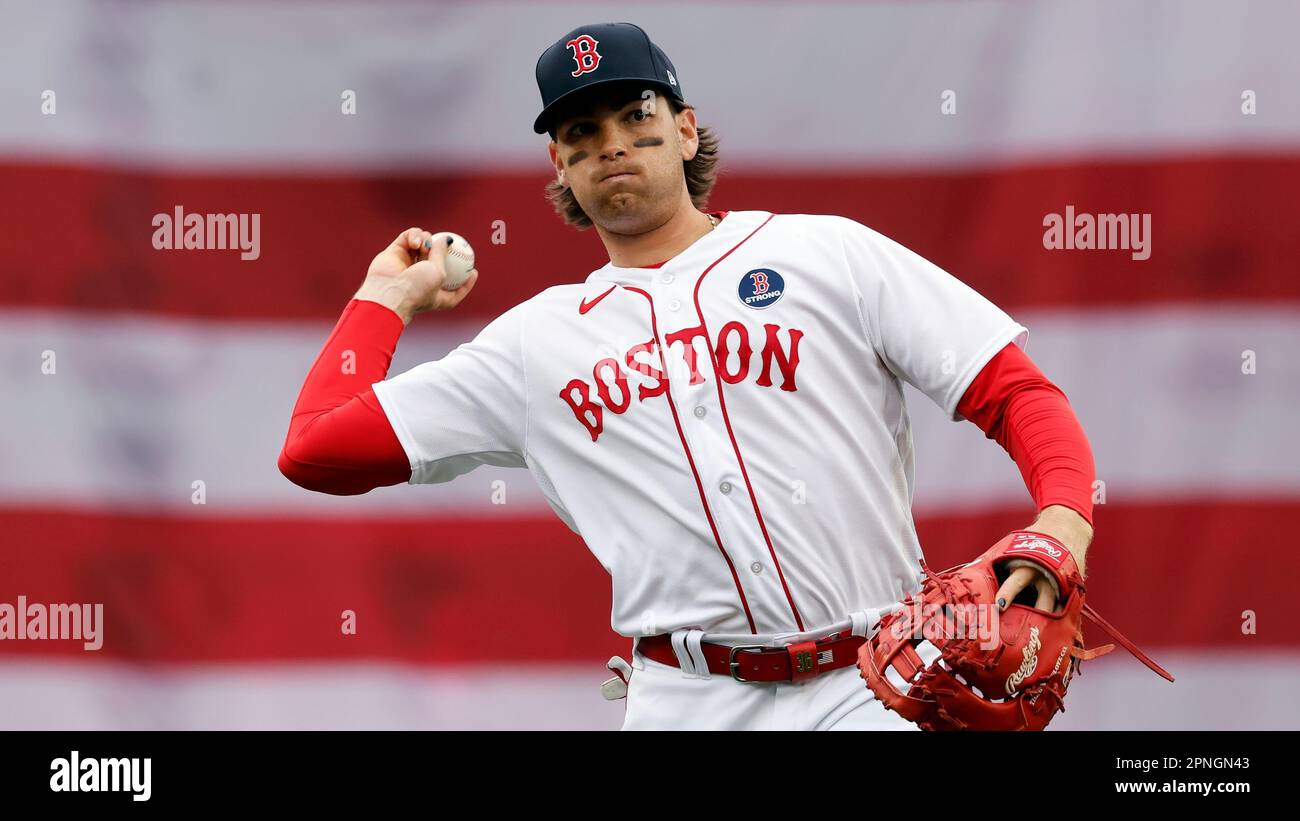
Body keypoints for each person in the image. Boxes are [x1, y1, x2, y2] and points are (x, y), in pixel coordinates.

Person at [278, 22, 1097, 730]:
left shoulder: (826, 255)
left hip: (872, 683)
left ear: (686, 129)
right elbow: (315, 447)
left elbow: (1014, 390)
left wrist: (1063, 520)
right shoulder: (533, 345)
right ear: (558, 165)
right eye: (582, 130)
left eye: (636, 115)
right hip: (687, 697)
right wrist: (384, 296)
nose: (612, 144)